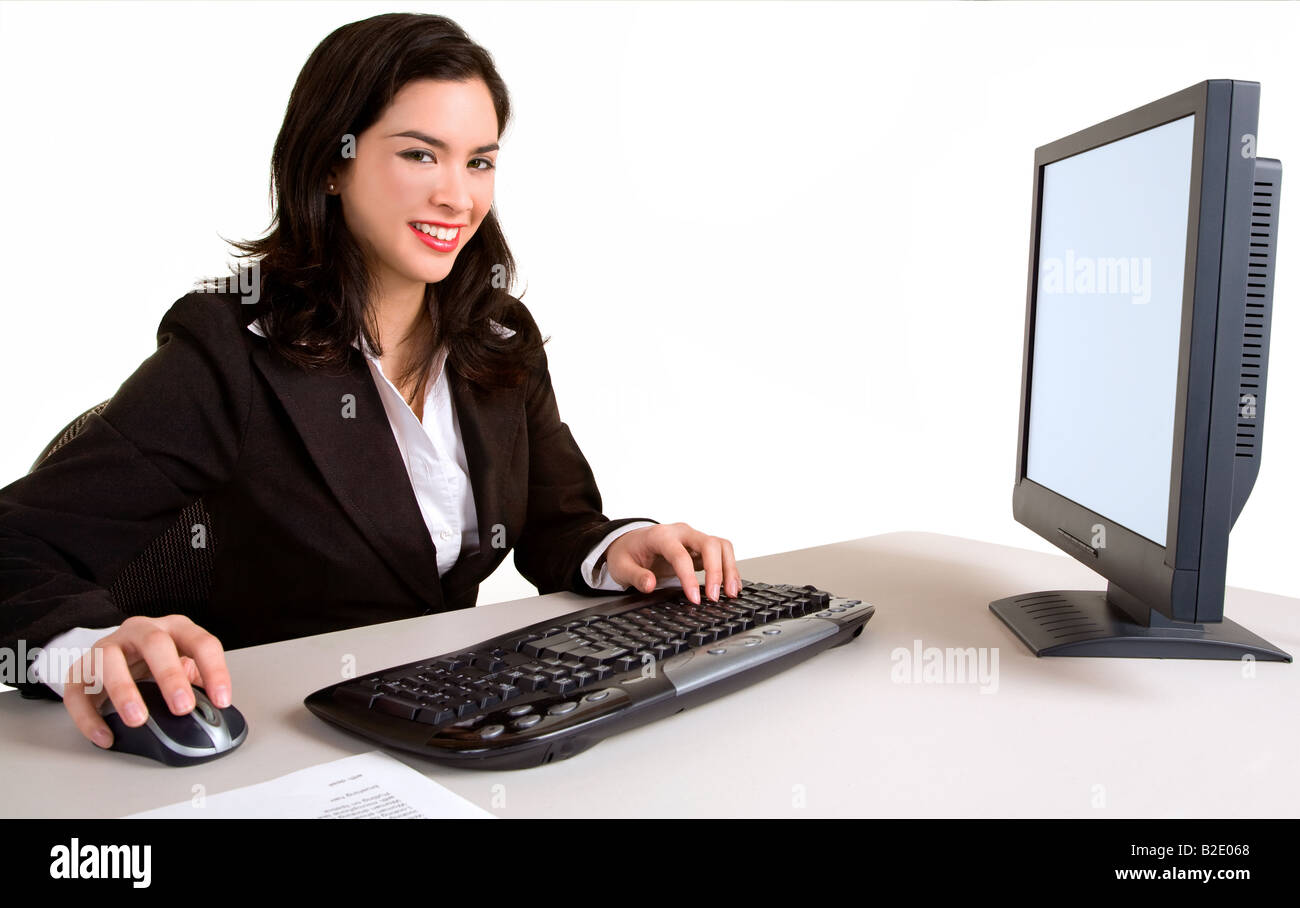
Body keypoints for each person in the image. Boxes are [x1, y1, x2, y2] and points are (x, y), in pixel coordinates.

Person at [0, 12, 739, 752]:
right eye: (422, 155)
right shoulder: (229, 351)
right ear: (331, 162)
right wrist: (85, 648)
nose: (459, 197)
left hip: (452, 721)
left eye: (479, 161)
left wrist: (620, 549)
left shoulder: (496, 332)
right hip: (283, 741)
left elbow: (553, 524)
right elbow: (14, 542)